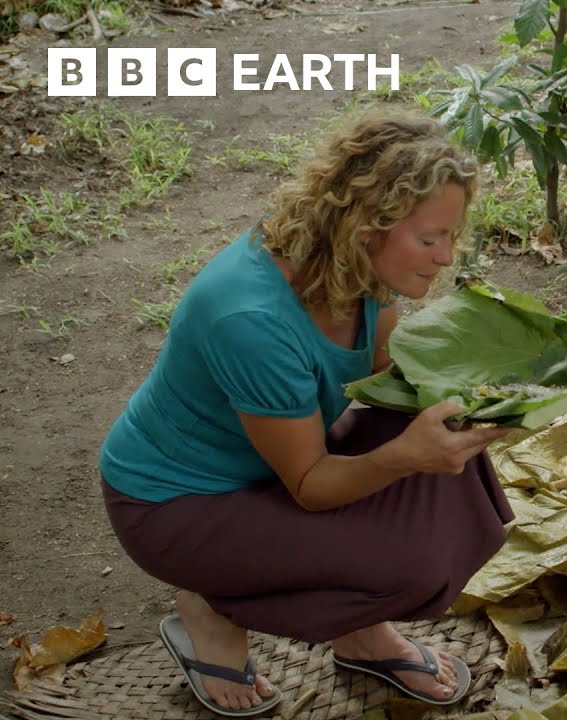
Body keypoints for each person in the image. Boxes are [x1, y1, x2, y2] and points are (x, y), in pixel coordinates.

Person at [98, 111, 515, 717]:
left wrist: (490, 385)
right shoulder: (252, 319)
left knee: (456, 473)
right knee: (413, 562)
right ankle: (213, 609)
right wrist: (401, 458)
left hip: (269, 470)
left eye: (452, 235)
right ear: (365, 225)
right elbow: (312, 486)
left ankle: (359, 631)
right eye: (430, 240)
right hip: (176, 506)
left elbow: (391, 375)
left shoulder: (353, 266)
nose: (447, 256)